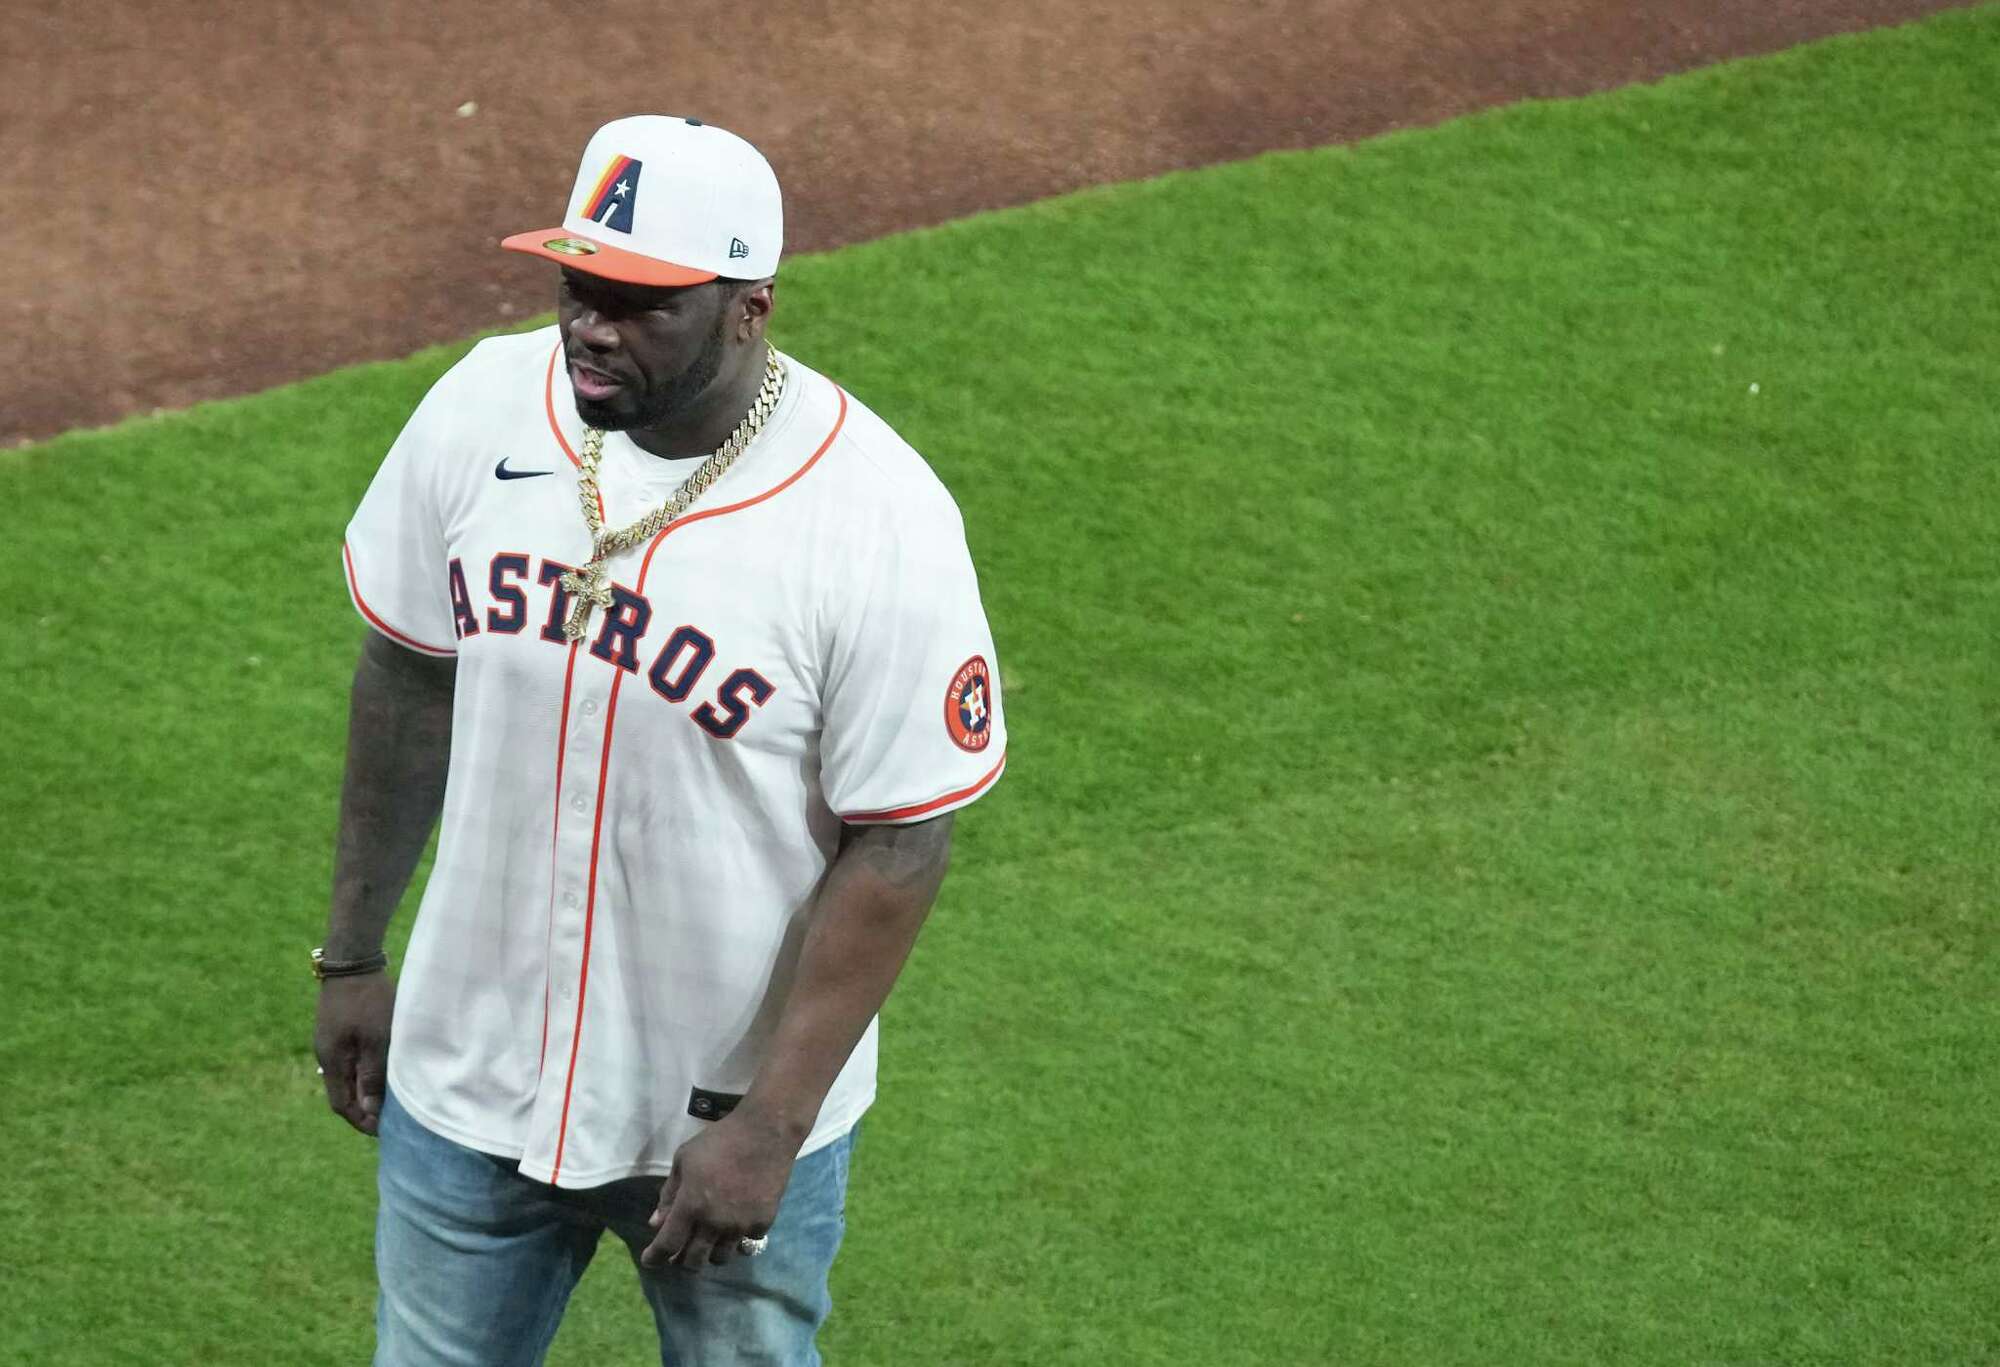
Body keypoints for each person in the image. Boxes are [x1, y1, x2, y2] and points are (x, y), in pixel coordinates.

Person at [313, 114, 1007, 1366]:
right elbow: (408, 675)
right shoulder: (481, 407)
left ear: (750, 308)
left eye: (641, 303)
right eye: (579, 287)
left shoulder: (877, 519)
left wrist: (772, 1124)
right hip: (466, 1077)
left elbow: (902, 840)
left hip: (724, 1118)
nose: (592, 324)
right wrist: (350, 951)